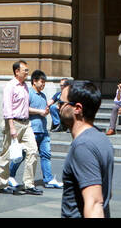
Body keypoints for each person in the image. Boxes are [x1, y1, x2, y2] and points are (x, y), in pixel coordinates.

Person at [59, 79, 113, 218]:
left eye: (61, 104)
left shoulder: (83, 146)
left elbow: (95, 203)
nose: (58, 108)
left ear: (77, 108)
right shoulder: (101, 139)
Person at [0, 60, 40, 195]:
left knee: (33, 150)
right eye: (25, 70)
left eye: (27, 70)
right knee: (7, 154)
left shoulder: (25, 86)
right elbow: (7, 108)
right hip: (13, 123)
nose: (27, 72)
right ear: (17, 71)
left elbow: (25, 106)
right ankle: (2, 185)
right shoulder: (10, 86)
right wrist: (12, 127)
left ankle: (29, 184)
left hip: (26, 124)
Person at [12, 70, 59, 187]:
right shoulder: (28, 93)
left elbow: (42, 111)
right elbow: (24, 108)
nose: (43, 84)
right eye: (42, 82)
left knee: (46, 155)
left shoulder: (43, 95)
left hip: (43, 130)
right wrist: (40, 112)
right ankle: (10, 175)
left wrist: (46, 112)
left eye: (44, 82)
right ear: (34, 81)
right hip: (31, 129)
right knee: (23, 155)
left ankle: (48, 179)